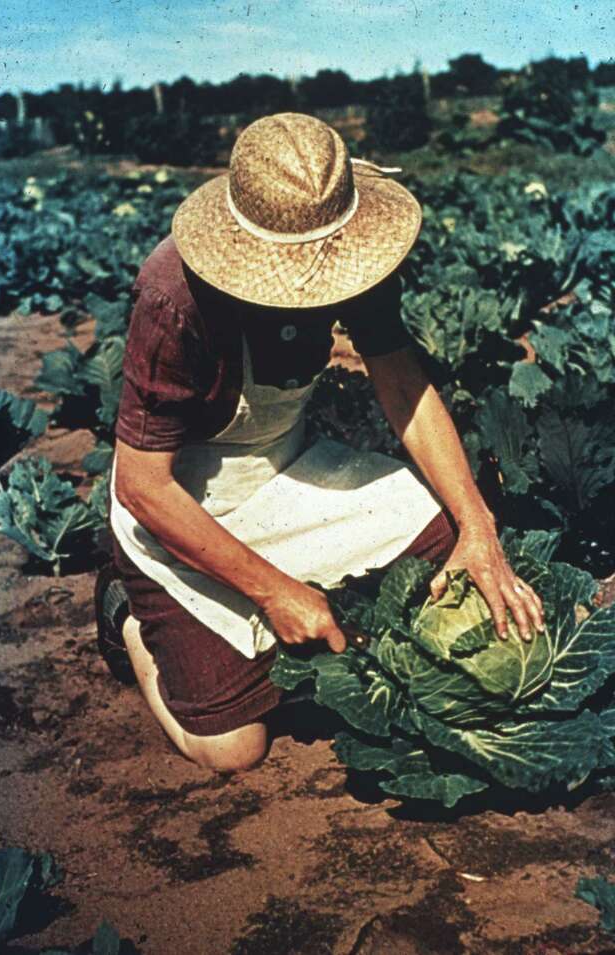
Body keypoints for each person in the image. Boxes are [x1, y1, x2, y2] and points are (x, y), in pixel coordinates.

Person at [95, 112, 544, 774]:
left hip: (288, 467)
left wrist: (479, 524)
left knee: (453, 543)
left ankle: (289, 614)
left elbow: (401, 383)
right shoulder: (174, 298)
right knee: (233, 748)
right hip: (182, 507)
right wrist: (276, 590)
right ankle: (133, 620)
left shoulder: (355, 250)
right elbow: (142, 486)